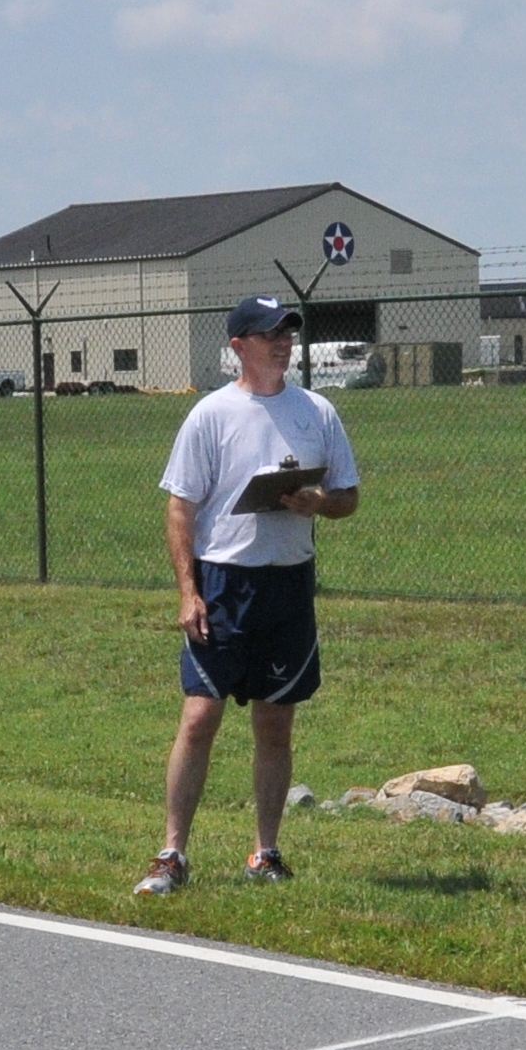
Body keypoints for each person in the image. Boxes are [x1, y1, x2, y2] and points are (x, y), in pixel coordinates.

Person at [135, 295, 360, 895]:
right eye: (268, 334)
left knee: (275, 724)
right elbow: (180, 510)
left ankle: (265, 852)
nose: (282, 342)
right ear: (239, 345)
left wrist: (318, 504)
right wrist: (188, 593)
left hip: (287, 585)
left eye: (287, 331)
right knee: (199, 716)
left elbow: (348, 497)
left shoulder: (317, 411)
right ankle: (171, 854)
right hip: (224, 584)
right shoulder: (210, 415)